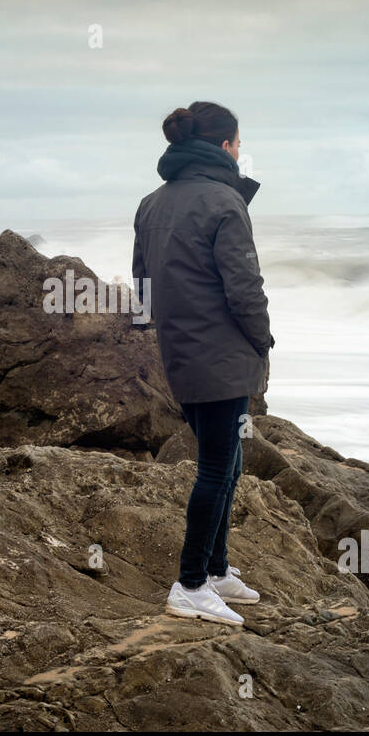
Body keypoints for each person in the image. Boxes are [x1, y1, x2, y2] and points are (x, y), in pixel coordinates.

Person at [133, 101, 273, 626]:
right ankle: (189, 585)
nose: (241, 151)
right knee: (216, 469)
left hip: (181, 353)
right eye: (239, 143)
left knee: (228, 459)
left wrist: (167, 333)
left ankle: (215, 569)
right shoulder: (224, 203)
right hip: (221, 354)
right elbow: (245, 288)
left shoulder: (150, 204)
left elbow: (142, 290)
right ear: (224, 147)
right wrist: (263, 340)